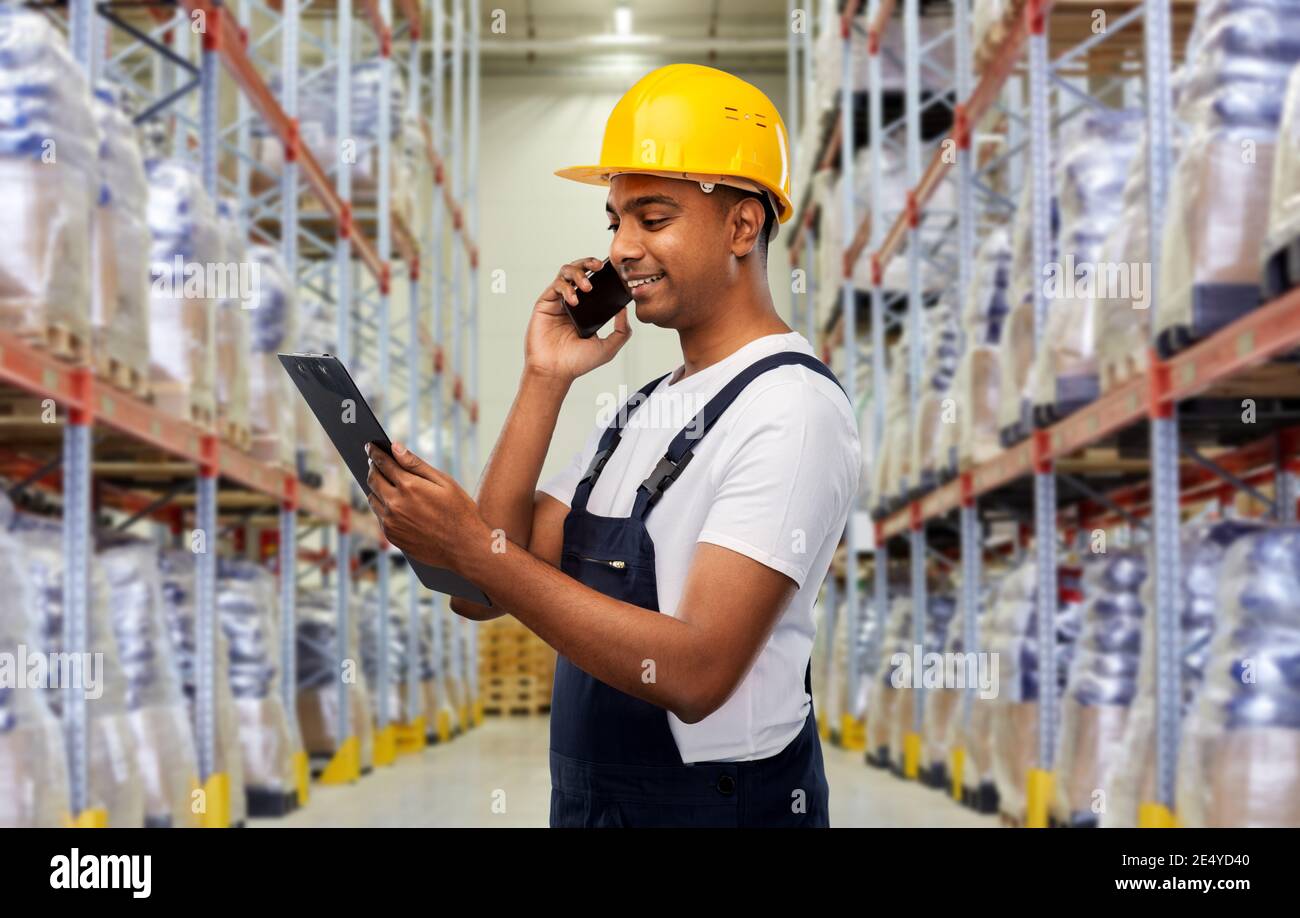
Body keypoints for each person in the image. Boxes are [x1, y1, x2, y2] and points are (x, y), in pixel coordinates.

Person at [364, 63, 861, 827]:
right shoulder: (642, 410)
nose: (622, 248)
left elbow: (697, 672)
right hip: (597, 806)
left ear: (742, 225)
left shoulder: (790, 408)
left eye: (653, 218)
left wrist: (476, 547)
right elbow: (479, 591)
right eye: (614, 220)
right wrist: (543, 376)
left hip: (717, 812)